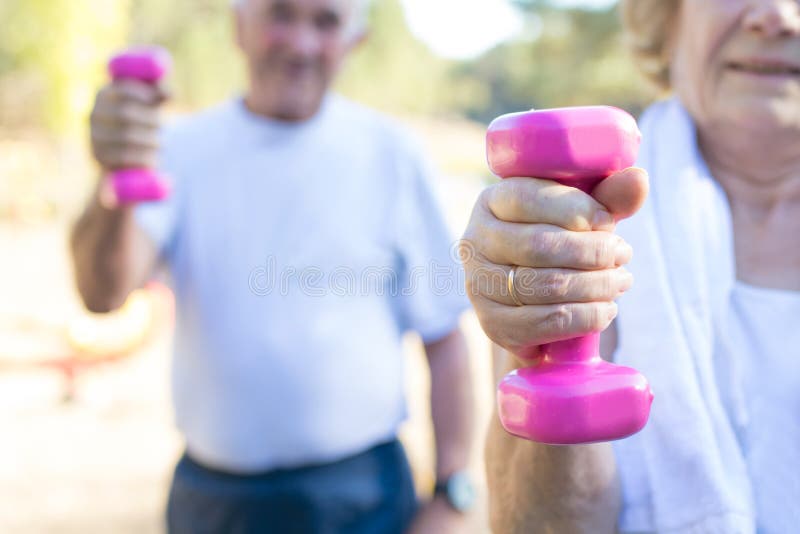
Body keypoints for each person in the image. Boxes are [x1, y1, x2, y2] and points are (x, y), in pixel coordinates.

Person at [70, 0, 476, 532]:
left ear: (355, 40)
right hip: (215, 500)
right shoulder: (176, 150)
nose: (301, 44)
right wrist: (116, 179)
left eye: (326, 22)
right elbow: (103, 294)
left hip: (364, 498)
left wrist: (451, 492)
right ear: (238, 26)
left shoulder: (391, 154)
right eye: (280, 14)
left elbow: (443, 336)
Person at [462, 0, 800, 532]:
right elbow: (540, 524)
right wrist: (542, 338)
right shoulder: (573, 223)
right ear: (667, 17)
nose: (777, 15)